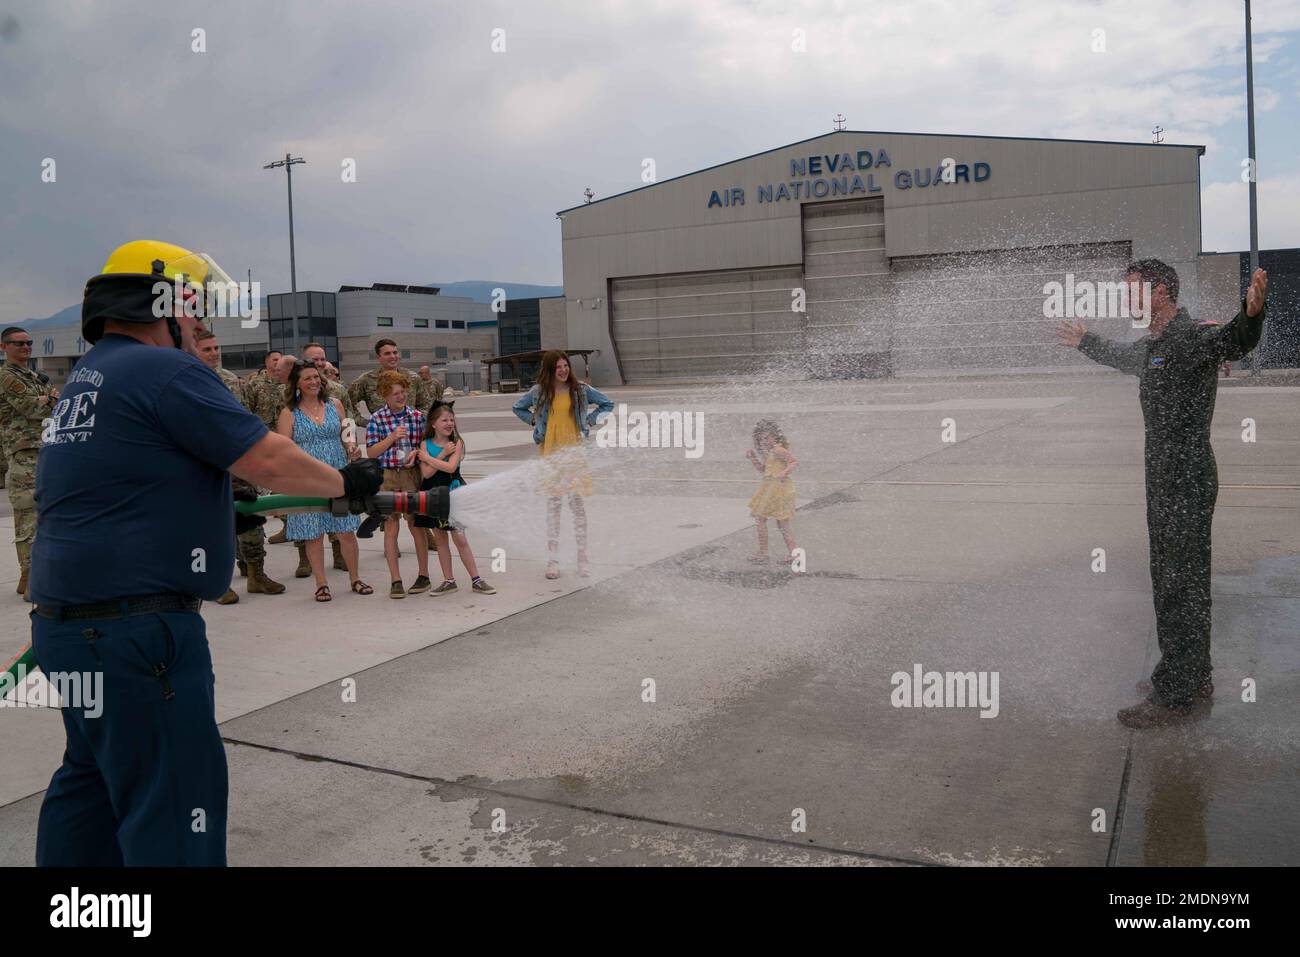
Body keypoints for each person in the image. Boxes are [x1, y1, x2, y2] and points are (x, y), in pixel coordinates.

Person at [29, 240, 382, 866]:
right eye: (193, 309)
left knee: (89, 790)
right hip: (141, 632)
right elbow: (265, 457)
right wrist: (347, 483)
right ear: (161, 302)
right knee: (173, 802)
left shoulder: (86, 380)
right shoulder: (164, 371)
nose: (200, 326)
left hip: (68, 628)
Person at [1056, 259, 1269, 729]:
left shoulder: (1190, 337)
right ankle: (1193, 674)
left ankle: (1176, 694)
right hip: (1164, 478)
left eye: (1132, 290)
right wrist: (1085, 342)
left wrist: (1252, 314)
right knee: (1175, 579)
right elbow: (1121, 357)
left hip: (1186, 476)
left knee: (1180, 584)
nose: (1125, 300)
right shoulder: (1153, 347)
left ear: (1159, 292)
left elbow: (1234, 339)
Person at [194, 330, 285, 604]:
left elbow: (242, 418)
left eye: (215, 347)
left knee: (251, 515)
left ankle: (257, 574)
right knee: (213, 525)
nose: (213, 353)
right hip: (203, 464)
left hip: (235, 460)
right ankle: (218, 583)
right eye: (207, 349)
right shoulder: (186, 380)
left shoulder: (232, 381)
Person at [511, 350, 614, 579]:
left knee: (577, 506)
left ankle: (582, 558)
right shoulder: (539, 392)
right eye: (558, 367)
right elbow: (517, 407)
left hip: (574, 452)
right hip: (550, 452)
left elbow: (607, 404)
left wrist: (589, 419)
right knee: (554, 507)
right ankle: (553, 560)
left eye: (565, 365)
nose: (563, 370)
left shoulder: (581, 390)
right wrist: (533, 420)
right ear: (549, 369)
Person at [276, 361, 370, 600]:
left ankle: (355, 579)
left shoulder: (334, 404)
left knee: (345, 529)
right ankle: (321, 584)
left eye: (316, 377)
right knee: (313, 533)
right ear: (297, 383)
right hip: (306, 480)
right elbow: (283, 450)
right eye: (307, 378)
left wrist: (351, 447)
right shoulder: (289, 413)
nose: (314, 382)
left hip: (337, 476)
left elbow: (347, 430)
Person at [349, 338, 441, 550]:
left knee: (414, 505)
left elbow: (427, 404)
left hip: (410, 442)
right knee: (390, 513)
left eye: (395, 352)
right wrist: (364, 421)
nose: (392, 356)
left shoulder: (413, 378)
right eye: (387, 353)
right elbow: (348, 401)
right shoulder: (366, 380)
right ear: (379, 357)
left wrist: (420, 425)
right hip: (383, 440)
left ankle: (424, 533)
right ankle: (392, 544)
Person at [0, 326, 58, 600]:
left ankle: (33, 576)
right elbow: (30, 407)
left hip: (44, 449)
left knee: (46, 513)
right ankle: (32, 579)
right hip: (23, 454)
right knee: (28, 517)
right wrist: (48, 399)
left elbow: (51, 403)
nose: (25, 347)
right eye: (18, 343)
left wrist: (48, 399)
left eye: (28, 343)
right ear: (4, 347)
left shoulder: (33, 376)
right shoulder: (7, 376)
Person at [415, 401, 495, 596]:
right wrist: (442, 455)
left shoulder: (457, 443)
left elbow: (451, 468)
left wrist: (429, 459)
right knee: (440, 538)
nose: (449, 423)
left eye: (452, 420)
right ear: (433, 424)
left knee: (459, 538)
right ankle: (449, 580)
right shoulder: (425, 444)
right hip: (433, 494)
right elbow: (426, 474)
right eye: (444, 420)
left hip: (453, 493)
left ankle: (476, 579)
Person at [365, 370, 429, 598]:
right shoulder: (377, 418)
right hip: (387, 476)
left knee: (416, 525)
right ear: (385, 396)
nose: (400, 397)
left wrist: (417, 453)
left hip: (410, 474)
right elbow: (371, 451)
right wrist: (391, 437)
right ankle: (396, 579)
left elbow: (425, 446)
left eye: (402, 392)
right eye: (395, 394)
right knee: (391, 527)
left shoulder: (417, 416)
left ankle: (424, 575)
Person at [303, 342, 356, 572]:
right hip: (308, 466)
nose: (320, 363)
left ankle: (339, 556)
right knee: (310, 521)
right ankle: (306, 562)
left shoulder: (338, 391)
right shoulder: (293, 391)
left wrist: (351, 445)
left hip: (336, 463)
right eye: (314, 360)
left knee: (341, 518)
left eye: (322, 358)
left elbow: (348, 421)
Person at [746, 419, 798, 564]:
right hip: (770, 488)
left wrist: (784, 473)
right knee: (780, 524)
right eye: (761, 439)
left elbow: (794, 461)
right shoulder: (770, 452)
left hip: (777, 489)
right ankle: (793, 554)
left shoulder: (778, 450)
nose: (764, 441)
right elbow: (764, 470)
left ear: (775, 437)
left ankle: (763, 553)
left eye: (767, 438)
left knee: (762, 519)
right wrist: (753, 458)